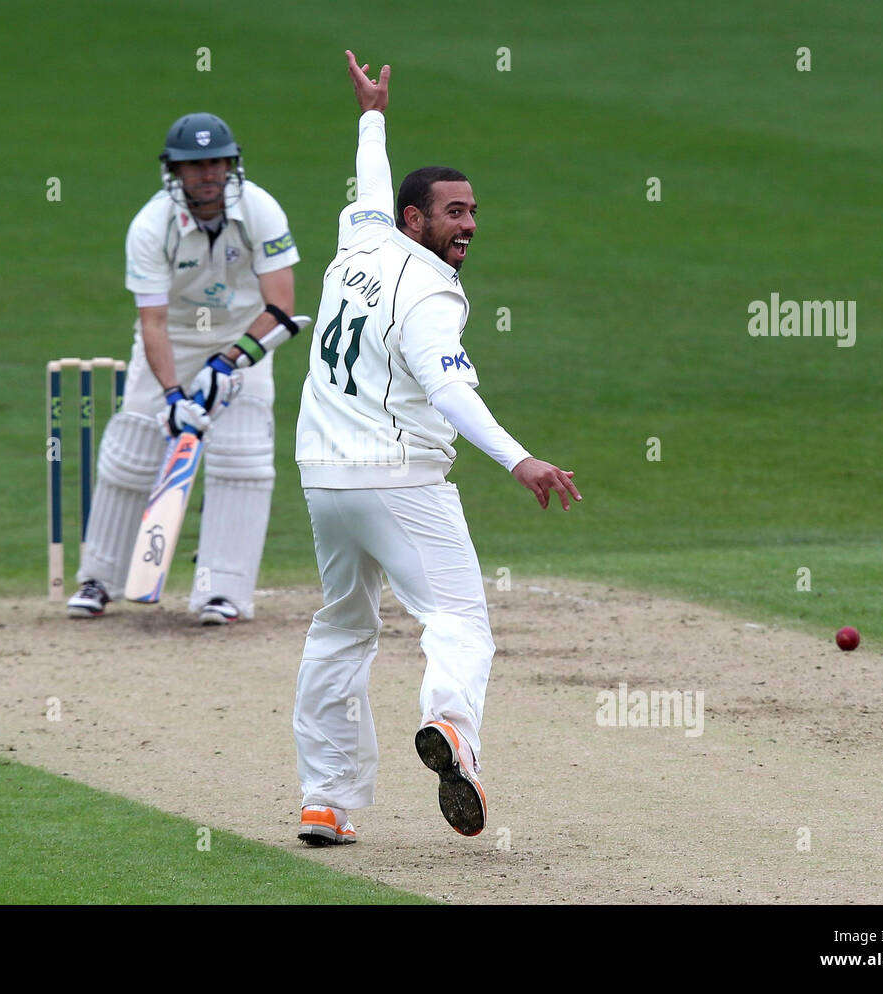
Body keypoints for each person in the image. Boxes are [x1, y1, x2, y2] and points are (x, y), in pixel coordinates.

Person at [292, 52, 582, 846]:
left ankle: (325, 801)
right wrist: (519, 458)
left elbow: (368, 186)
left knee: (342, 629)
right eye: (453, 213)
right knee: (457, 619)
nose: (469, 226)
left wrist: (372, 117)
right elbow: (451, 392)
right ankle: (450, 731)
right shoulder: (429, 295)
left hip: (325, 480)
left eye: (473, 212)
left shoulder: (359, 243)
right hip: (401, 479)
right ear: (416, 221)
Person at [68, 112, 303, 624]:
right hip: (171, 338)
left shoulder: (260, 209)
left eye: (216, 162)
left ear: (230, 164)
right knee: (132, 452)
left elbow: (282, 306)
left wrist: (227, 363)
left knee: (243, 459)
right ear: (174, 172)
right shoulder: (151, 226)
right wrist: (175, 396)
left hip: (246, 338)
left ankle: (224, 594)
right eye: (193, 165)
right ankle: (99, 580)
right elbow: (151, 322)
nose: (206, 173)